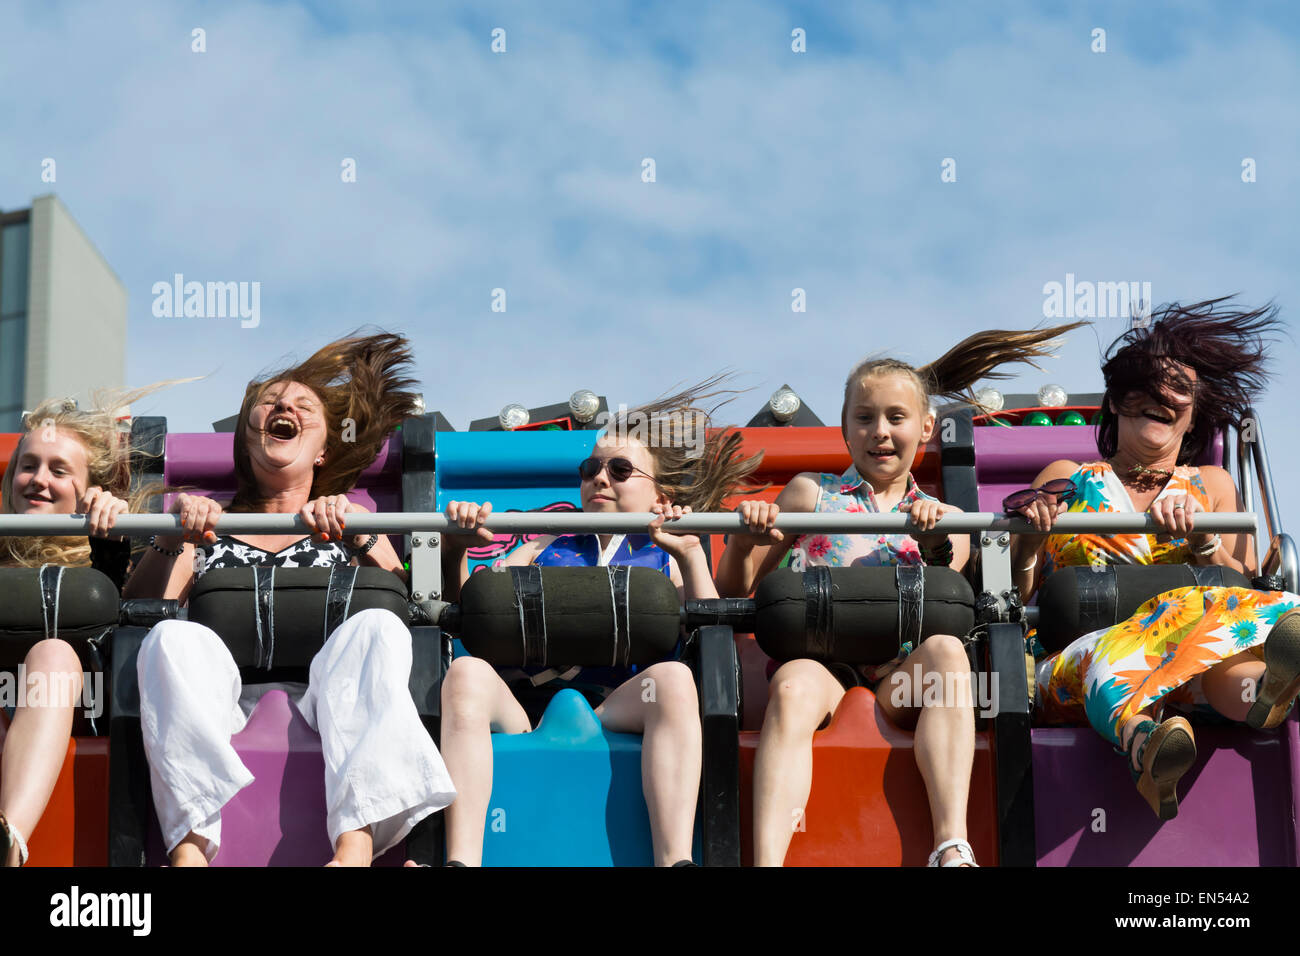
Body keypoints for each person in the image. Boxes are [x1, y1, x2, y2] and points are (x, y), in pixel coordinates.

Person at [718, 323, 1085, 867]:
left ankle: (950, 844)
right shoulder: (809, 495)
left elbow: (956, 587)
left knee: (947, 655)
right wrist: (744, 543)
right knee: (793, 689)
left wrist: (936, 540)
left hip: (899, 673)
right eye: (864, 419)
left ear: (926, 427)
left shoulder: (950, 517)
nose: (880, 432)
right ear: (845, 430)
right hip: (823, 664)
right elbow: (736, 596)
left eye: (896, 418)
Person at [124, 332, 455, 866]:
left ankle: (353, 852)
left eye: (304, 406)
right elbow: (137, 612)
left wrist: (361, 534)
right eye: (270, 403)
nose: (284, 407)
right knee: (171, 637)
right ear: (247, 437)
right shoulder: (208, 527)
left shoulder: (352, 521)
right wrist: (171, 538)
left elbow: (412, 608)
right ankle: (189, 853)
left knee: (376, 629)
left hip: (329, 701)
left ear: (323, 448)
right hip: (226, 703)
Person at [438, 381, 762, 866]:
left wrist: (692, 553)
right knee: (464, 674)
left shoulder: (665, 552)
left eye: (620, 469)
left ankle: (675, 860)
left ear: (659, 491)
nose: (600, 479)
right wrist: (457, 546)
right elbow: (472, 612)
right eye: (591, 469)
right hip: (528, 708)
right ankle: (461, 860)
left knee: (674, 679)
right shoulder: (545, 541)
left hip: (618, 705)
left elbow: (711, 632)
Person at [1010, 298, 1298, 819]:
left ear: (1192, 420)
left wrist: (1204, 543)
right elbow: (1014, 598)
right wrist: (1030, 540)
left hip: (1185, 654)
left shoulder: (1210, 485)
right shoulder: (1066, 477)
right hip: (1078, 657)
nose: (1163, 398)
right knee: (1106, 654)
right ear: (1117, 401)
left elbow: (1243, 587)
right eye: (1147, 387)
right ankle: (1146, 745)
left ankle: (1264, 696)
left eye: (1179, 392)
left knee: (1219, 646)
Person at [0, 393, 144, 866]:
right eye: (28, 465)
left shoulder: (110, 552)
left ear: (88, 489)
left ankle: (8, 844)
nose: (39, 480)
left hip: (85, 705)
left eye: (59, 470)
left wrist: (109, 541)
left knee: (53, 656)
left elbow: (141, 618)